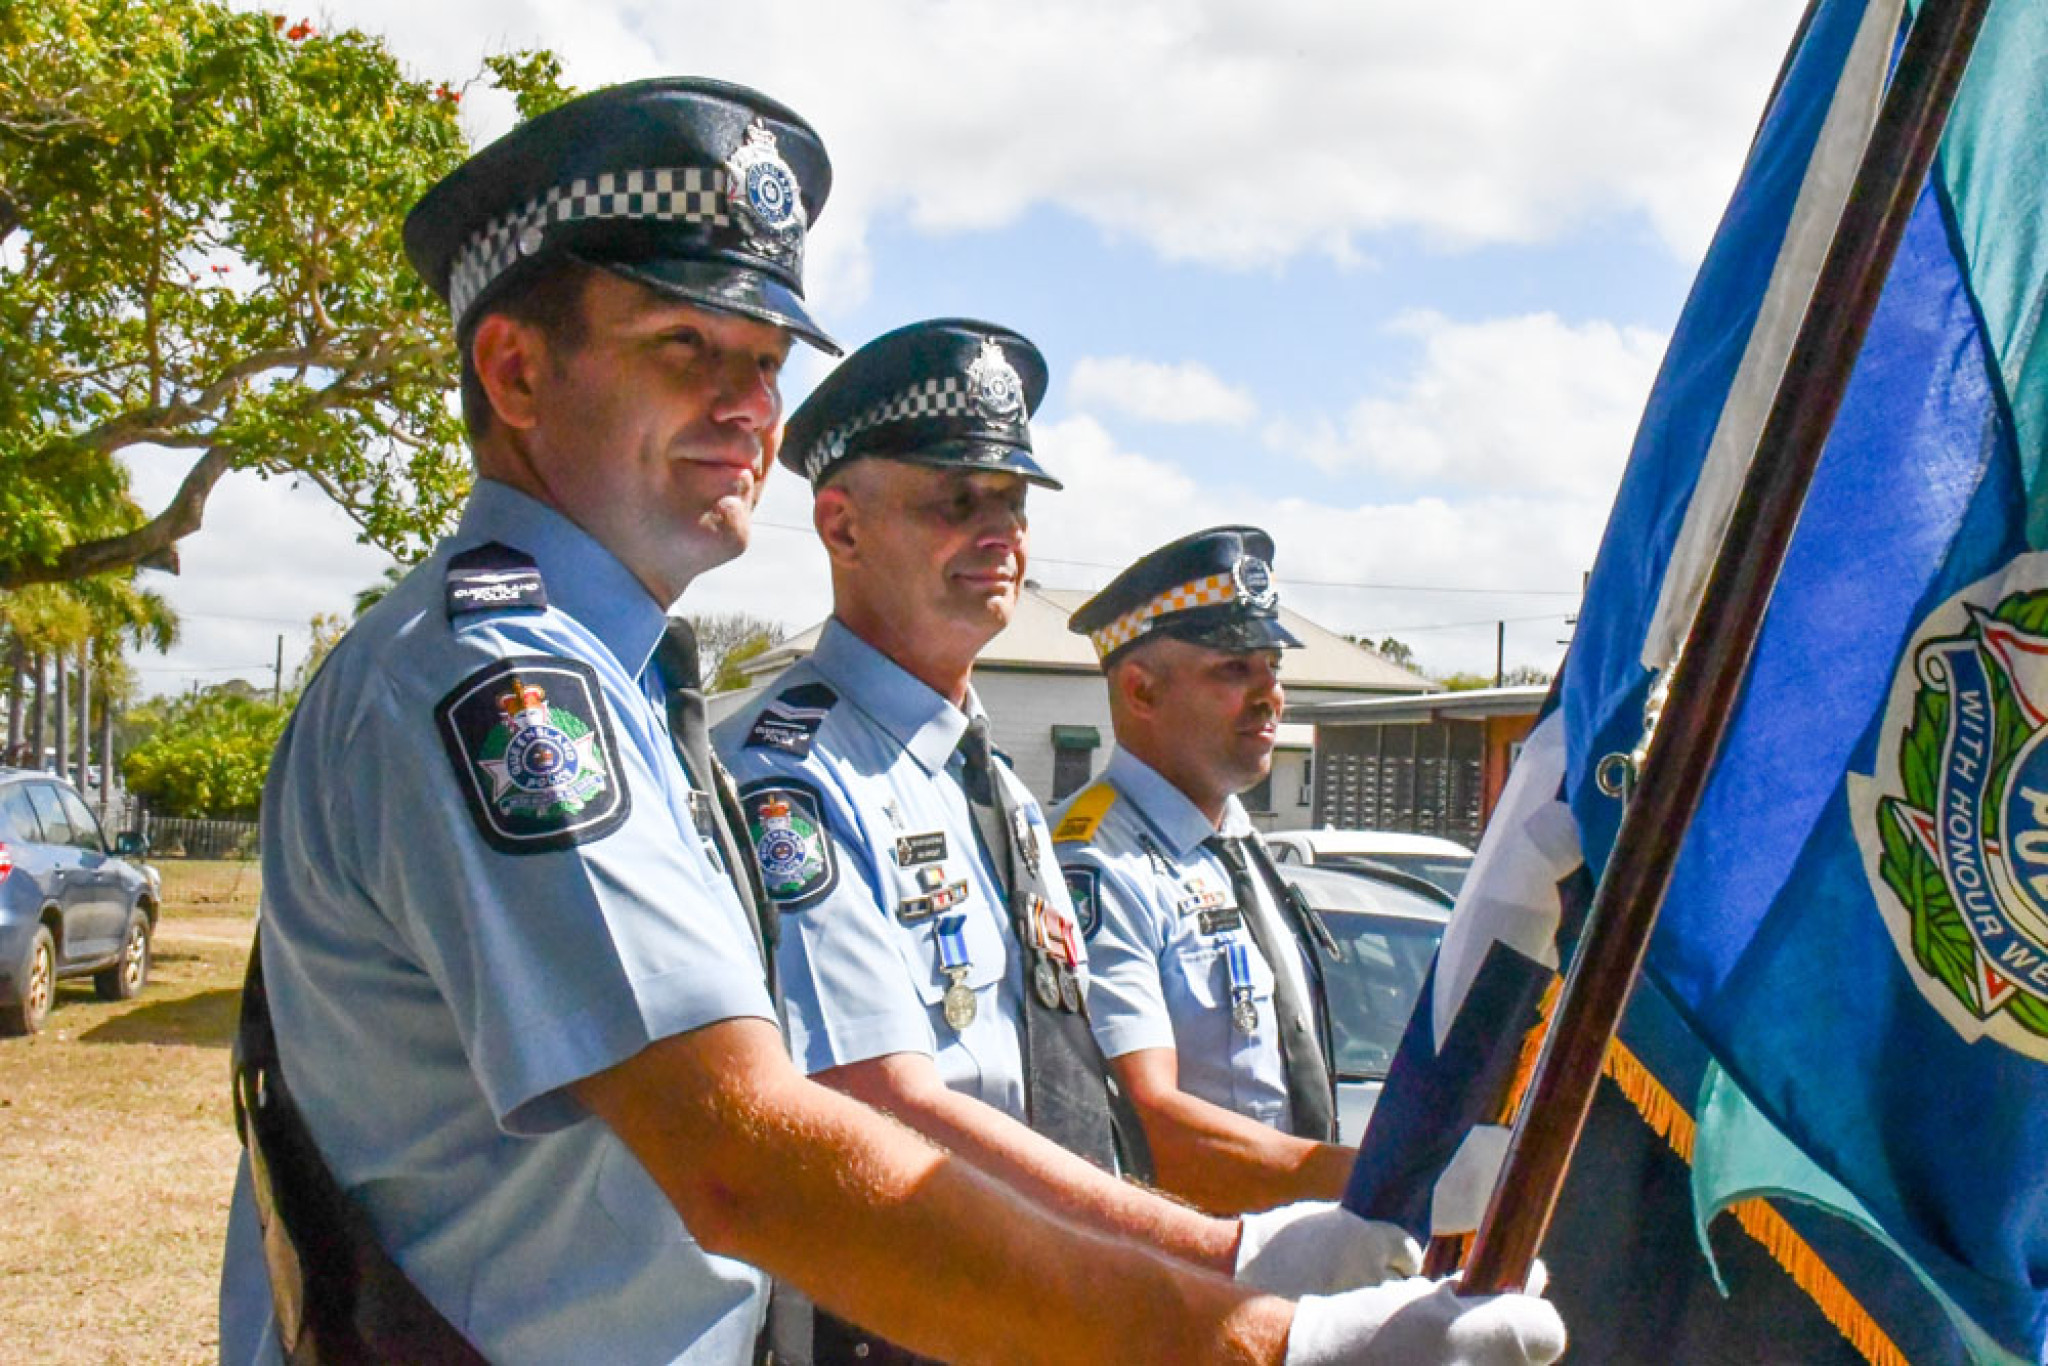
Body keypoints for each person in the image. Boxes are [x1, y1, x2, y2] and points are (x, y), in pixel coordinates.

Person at [215, 79, 1564, 1365]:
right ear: (513, 368)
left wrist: (1247, 1254)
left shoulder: (602, 674)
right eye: (685, 344)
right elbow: (750, 1151)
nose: (748, 408)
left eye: (762, 361)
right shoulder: (499, 684)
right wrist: (1264, 1332)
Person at [714, 322, 1562, 1363]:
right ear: (839, 528)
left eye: (1013, 503)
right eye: (954, 500)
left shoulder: (995, 795)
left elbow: (1067, 1111)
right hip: (899, 1327)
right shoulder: (790, 774)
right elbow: (882, 1109)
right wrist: (1235, 1260)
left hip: (1040, 1315)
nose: (1000, 535)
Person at [1052, 526, 1360, 1216]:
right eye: (1234, 670)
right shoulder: (1096, 867)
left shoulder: (1237, 847)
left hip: (1295, 1255)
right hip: (1185, 1280)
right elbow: (1146, 1126)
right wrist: (1373, 1189)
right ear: (1140, 690)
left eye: (1274, 667)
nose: (1270, 695)